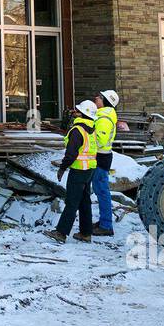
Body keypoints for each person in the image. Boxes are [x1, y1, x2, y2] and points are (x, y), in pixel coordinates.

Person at [44, 100, 99, 243]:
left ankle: (61, 232)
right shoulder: (91, 129)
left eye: (77, 111)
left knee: (72, 201)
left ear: (83, 114)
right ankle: (86, 233)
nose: (74, 113)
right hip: (90, 169)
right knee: (84, 201)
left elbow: (71, 154)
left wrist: (62, 168)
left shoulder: (77, 130)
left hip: (79, 170)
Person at [92, 89, 120, 236]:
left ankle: (106, 225)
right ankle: (104, 222)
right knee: (101, 190)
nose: (96, 98)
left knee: (102, 191)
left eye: (100, 97)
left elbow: (100, 141)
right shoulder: (103, 116)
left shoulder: (103, 119)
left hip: (100, 158)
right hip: (102, 157)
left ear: (105, 101)